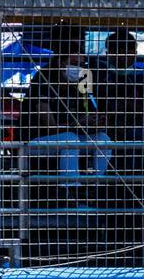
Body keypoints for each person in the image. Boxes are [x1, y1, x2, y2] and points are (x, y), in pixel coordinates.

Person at [19, 25, 112, 202]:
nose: (81, 65)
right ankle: (70, 191)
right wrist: (74, 125)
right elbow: (49, 124)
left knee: (103, 139)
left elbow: (88, 110)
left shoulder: (83, 79)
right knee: (70, 138)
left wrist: (91, 121)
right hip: (36, 139)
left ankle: (96, 186)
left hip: (70, 135)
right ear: (62, 62)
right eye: (76, 63)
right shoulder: (44, 77)